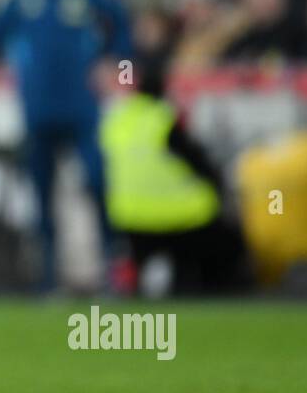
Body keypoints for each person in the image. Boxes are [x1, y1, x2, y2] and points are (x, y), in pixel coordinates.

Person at [0, 0, 130, 292]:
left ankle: (112, 267)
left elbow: (121, 25)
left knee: (96, 180)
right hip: (37, 111)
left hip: (82, 108)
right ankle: (48, 278)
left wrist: (114, 63)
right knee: (41, 194)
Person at [99, 60, 249, 295]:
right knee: (228, 244)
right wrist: (221, 185)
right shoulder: (164, 119)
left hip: (128, 217)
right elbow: (200, 164)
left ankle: (136, 281)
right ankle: (206, 288)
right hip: (179, 217)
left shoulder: (117, 119)